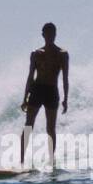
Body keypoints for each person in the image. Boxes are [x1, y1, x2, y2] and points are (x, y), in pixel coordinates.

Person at [20, 23, 69, 165]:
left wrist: (66, 98)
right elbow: (30, 76)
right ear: (43, 35)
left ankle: (51, 161)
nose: (50, 37)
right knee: (28, 125)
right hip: (37, 90)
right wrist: (25, 98)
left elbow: (65, 78)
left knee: (51, 128)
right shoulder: (36, 54)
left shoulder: (62, 54)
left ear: (55, 34)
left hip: (52, 91)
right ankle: (21, 161)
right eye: (47, 34)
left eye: (52, 34)